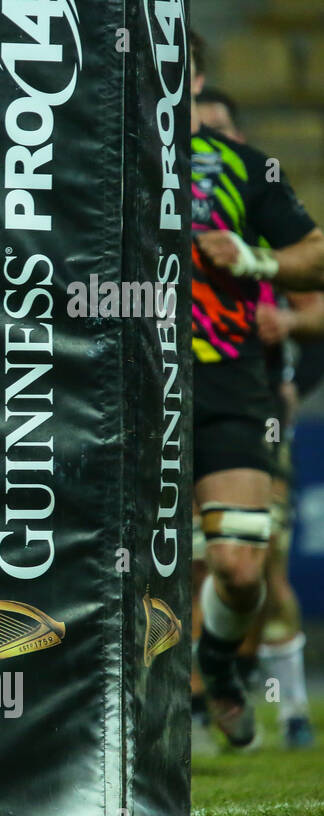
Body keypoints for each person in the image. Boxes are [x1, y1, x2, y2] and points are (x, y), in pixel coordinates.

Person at [187, 32, 324, 749]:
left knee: (241, 568)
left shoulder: (239, 167)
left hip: (227, 381)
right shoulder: (87, 169)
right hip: (119, 388)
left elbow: (318, 256)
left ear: (196, 77)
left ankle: (217, 661)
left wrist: (253, 255)